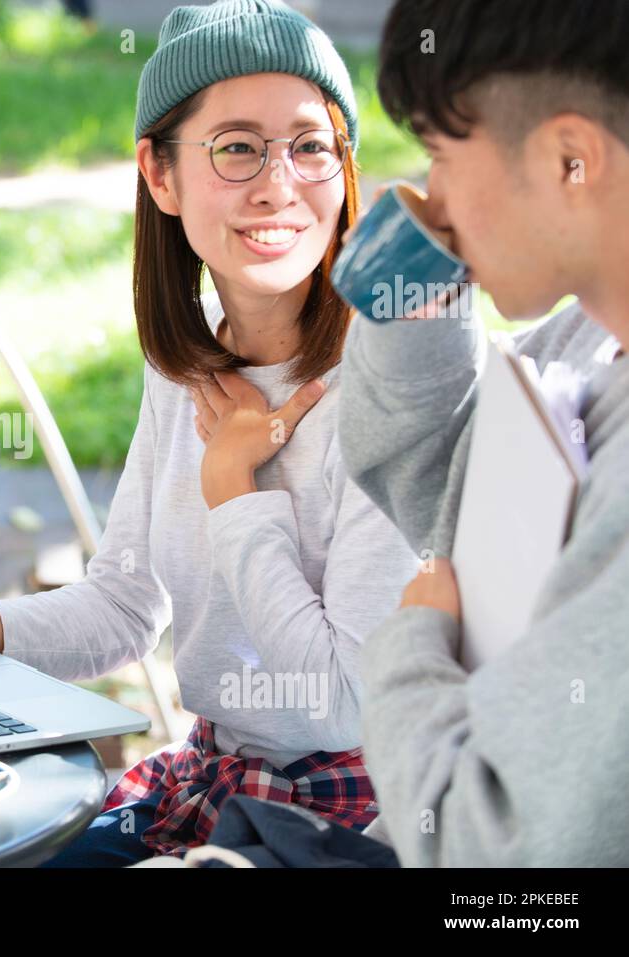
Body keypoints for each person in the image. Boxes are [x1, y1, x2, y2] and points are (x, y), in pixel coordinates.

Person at [0, 0, 419, 865]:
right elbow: (127, 604)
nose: (279, 182)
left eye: (311, 145)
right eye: (237, 147)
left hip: (353, 813)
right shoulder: (186, 362)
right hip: (213, 775)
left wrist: (237, 495)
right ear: (159, 176)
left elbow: (339, 705)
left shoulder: (390, 384)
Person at [339, 0, 629, 865]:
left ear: (570, 158)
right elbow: (457, 505)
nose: (433, 194)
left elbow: (494, 854)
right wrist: (411, 301)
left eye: (439, 154)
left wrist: (410, 647)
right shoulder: (588, 337)